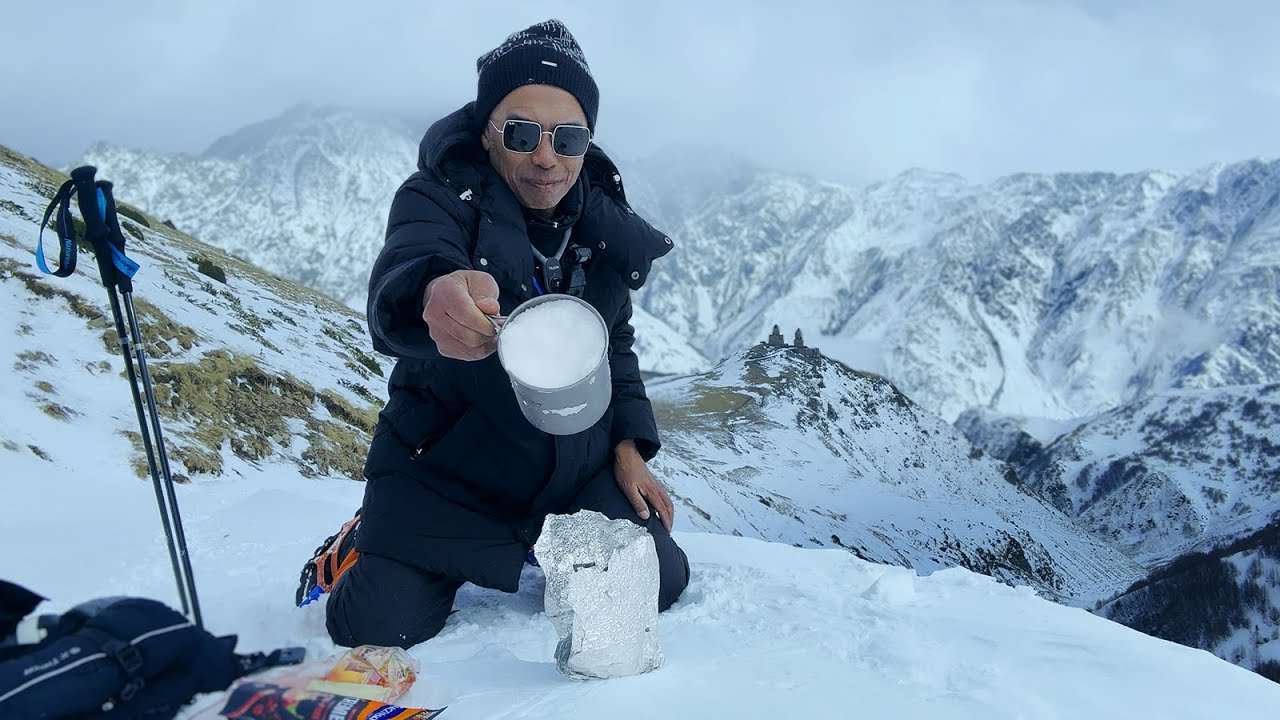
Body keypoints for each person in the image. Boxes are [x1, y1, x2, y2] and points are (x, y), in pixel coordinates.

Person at [321, 19, 690, 649]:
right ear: (488, 132)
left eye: (568, 138)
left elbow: (617, 346)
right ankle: (365, 535)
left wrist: (629, 445)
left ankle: (547, 541)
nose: (546, 157)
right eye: (521, 133)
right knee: (374, 626)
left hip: (573, 473)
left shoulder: (602, 228)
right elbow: (413, 263)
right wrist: (435, 294)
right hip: (447, 472)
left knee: (659, 578)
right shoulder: (437, 198)